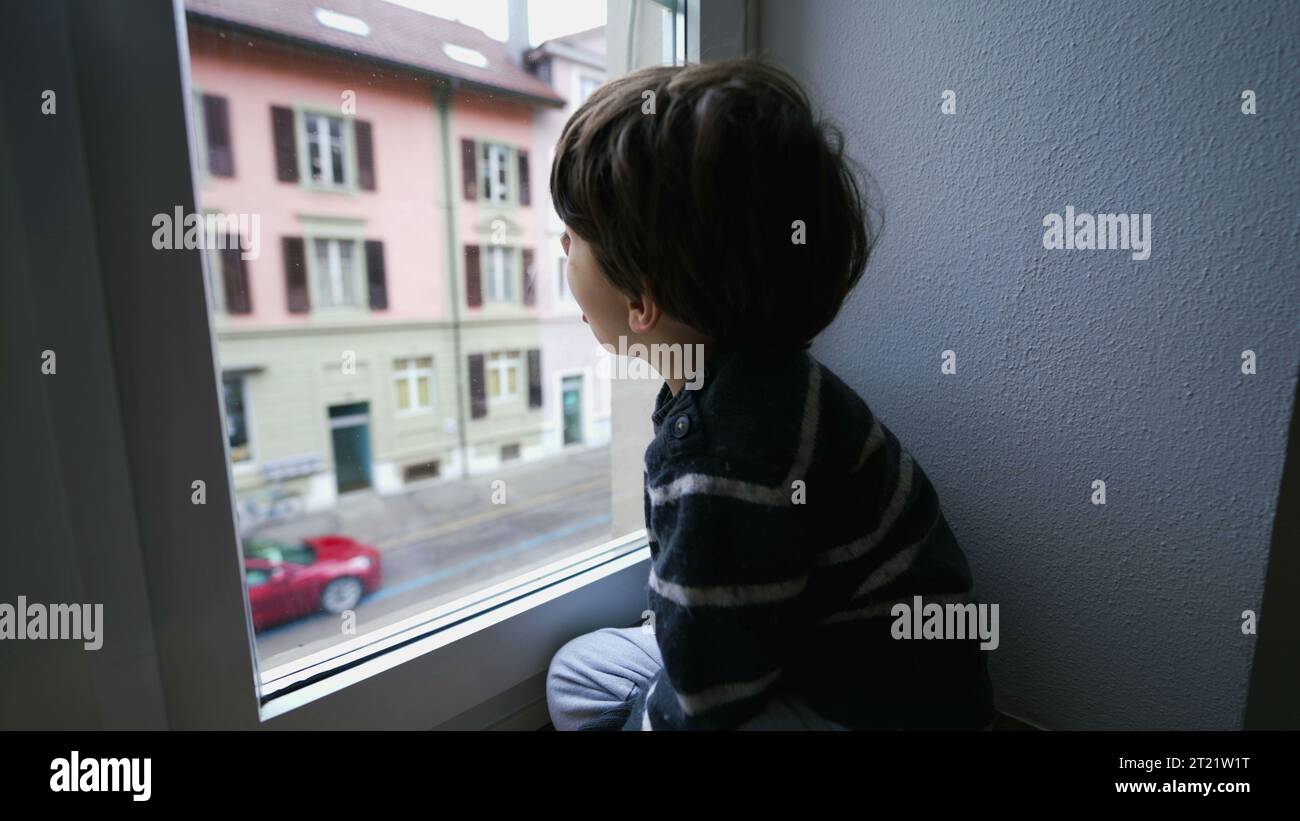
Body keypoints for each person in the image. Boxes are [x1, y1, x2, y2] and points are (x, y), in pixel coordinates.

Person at [545, 59, 994, 730]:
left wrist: (656, 709)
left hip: (877, 708)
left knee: (621, 701)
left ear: (641, 299)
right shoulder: (745, 379)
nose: (561, 245)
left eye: (573, 237)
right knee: (577, 673)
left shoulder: (731, 454)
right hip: (809, 652)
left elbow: (709, 704)